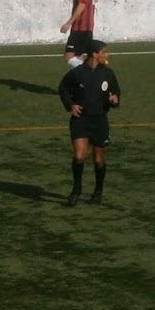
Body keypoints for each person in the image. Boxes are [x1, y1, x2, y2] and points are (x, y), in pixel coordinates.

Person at [58, 38, 120, 206]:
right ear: (95, 54)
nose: (106, 55)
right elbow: (63, 88)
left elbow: (116, 91)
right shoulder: (77, 73)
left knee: (99, 160)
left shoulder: (107, 73)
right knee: (79, 156)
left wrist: (115, 99)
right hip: (81, 120)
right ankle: (76, 189)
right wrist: (70, 105)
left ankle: (97, 192)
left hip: (99, 120)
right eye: (104, 52)